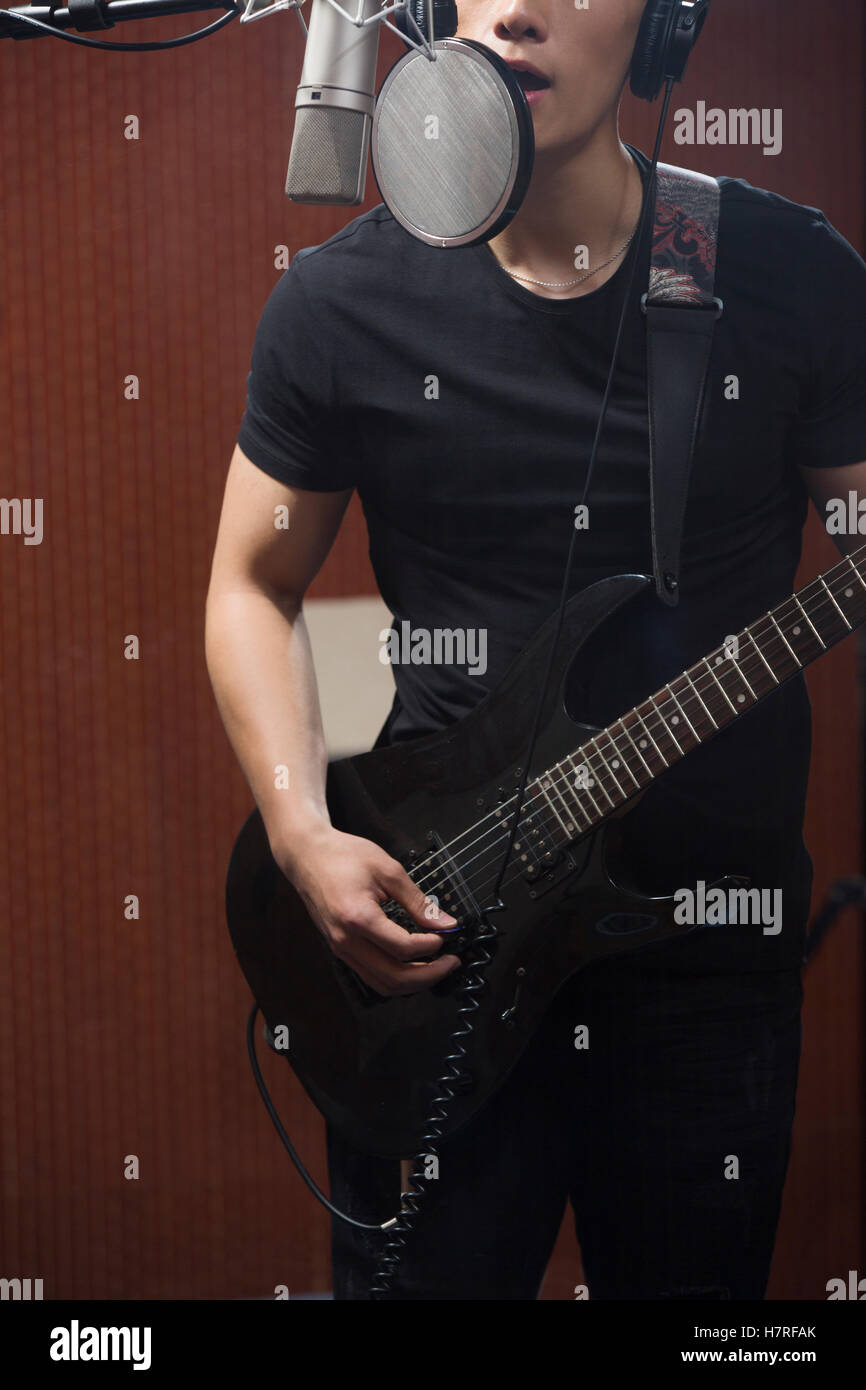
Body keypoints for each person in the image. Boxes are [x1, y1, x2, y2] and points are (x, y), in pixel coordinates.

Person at [205, 0, 866, 1299]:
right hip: (431, 937)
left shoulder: (789, 276)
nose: (515, 10)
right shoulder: (345, 301)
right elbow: (249, 582)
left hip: (699, 966)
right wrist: (298, 830)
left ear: (666, 22)